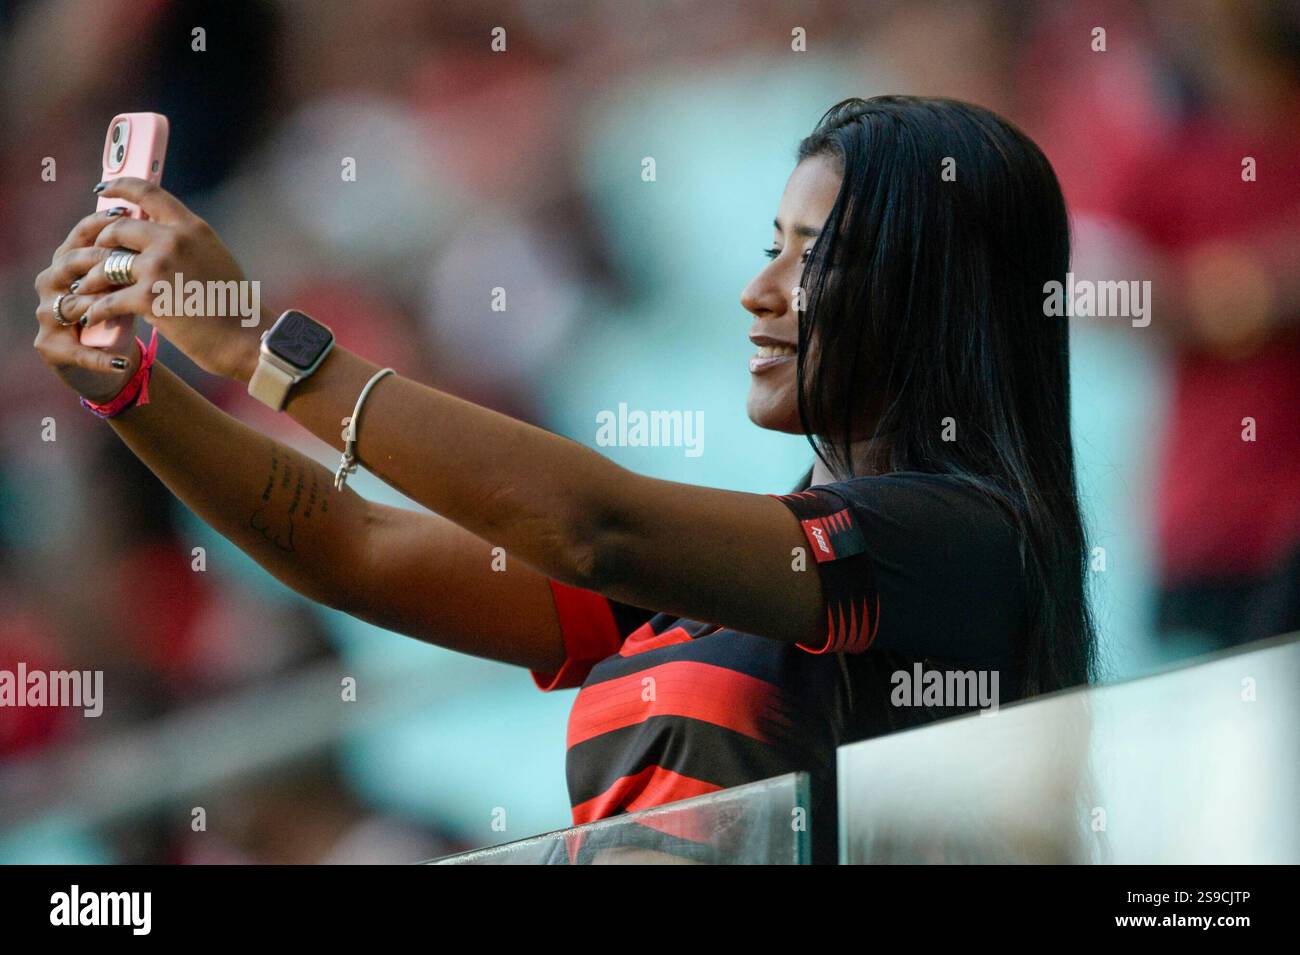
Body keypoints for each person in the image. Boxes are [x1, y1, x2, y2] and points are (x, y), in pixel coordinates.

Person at [33, 96, 1096, 864]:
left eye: (810, 257)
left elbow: (593, 525)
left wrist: (267, 343)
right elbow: (353, 545)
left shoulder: (973, 543)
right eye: (769, 247)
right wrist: (134, 392)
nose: (757, 291)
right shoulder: (724, 570)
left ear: (931, 290)